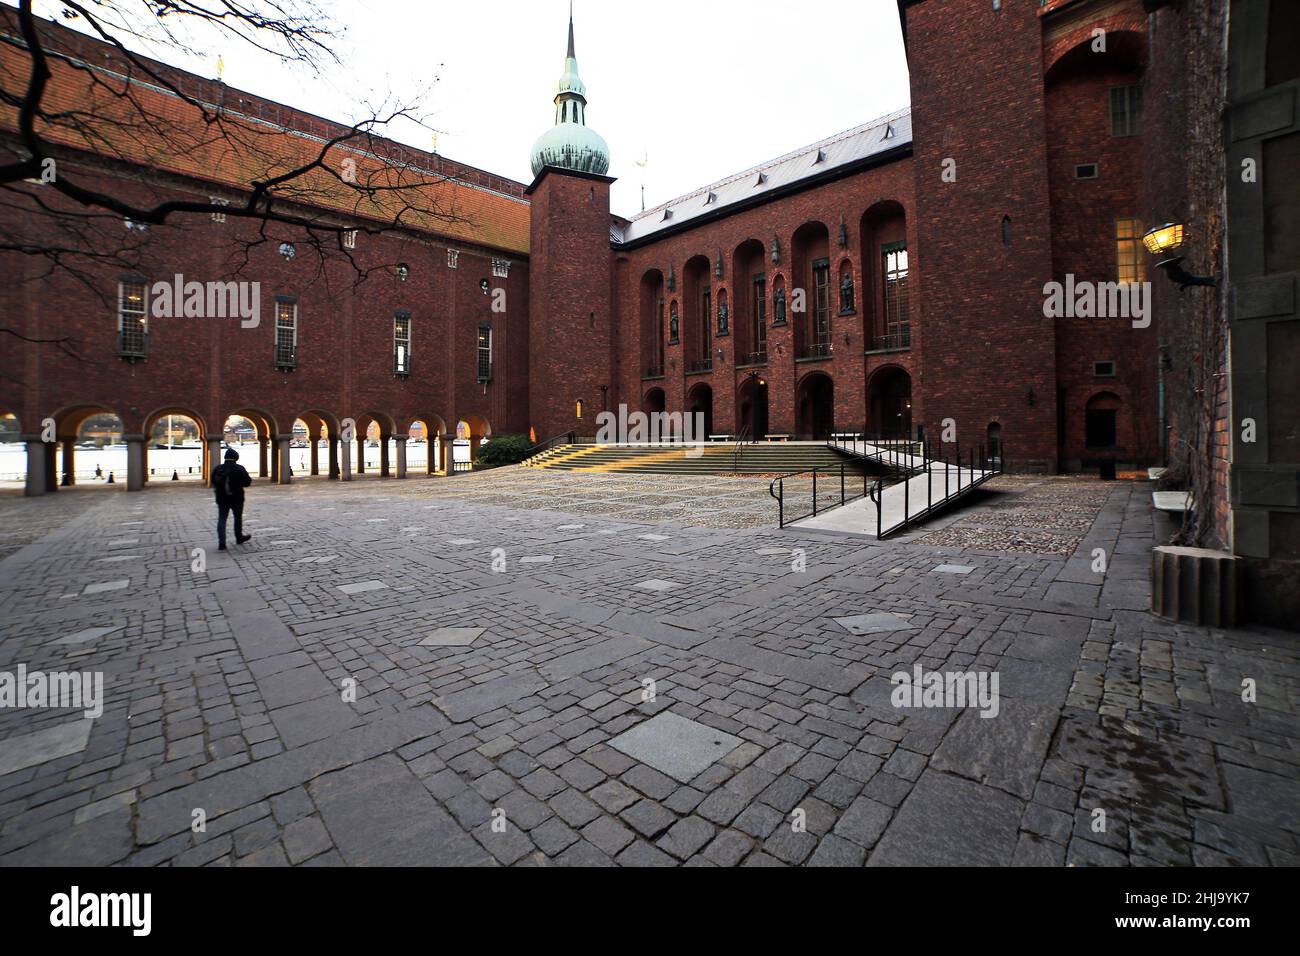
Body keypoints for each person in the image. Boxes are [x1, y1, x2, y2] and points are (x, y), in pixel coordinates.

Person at [211, 447, 252, 550]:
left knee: (222, 519)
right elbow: (247, 482)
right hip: (237, 498)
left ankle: (222, 543)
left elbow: (213, 482)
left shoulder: (218, 468)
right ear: (236, 458)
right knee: (237, 518)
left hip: (222, 498)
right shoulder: (239, 468)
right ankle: (239, 537)